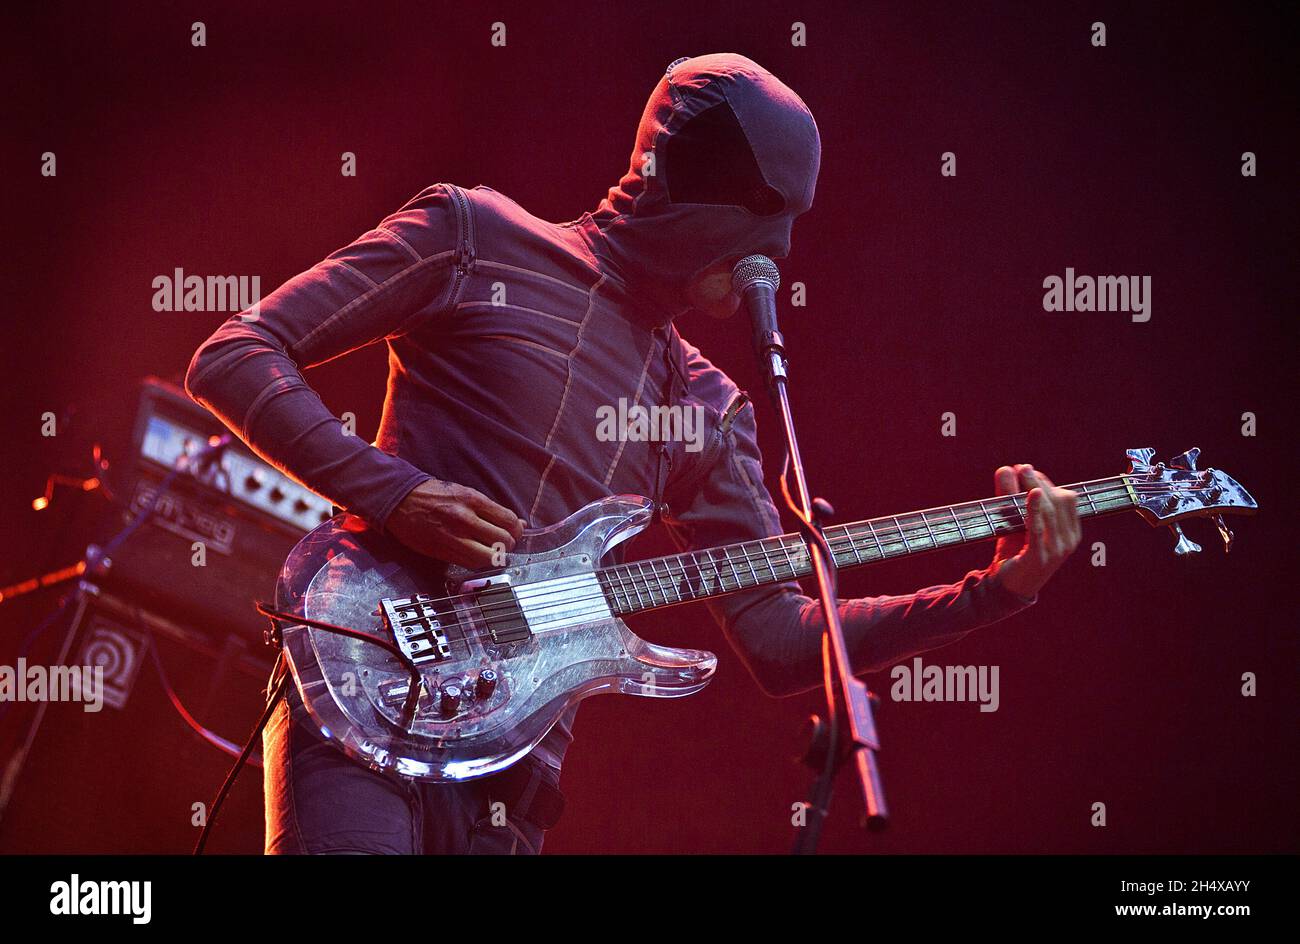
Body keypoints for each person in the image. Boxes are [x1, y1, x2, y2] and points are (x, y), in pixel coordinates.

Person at [185, 53, 1080, 855]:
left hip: (512, 778)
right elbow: (235, 355)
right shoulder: (476, 236)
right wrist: (398, 495)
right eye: (759, 217)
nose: (777, 253)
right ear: (683, 196)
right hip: (366, 676)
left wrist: (997, 590)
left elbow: (778, 639)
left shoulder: (705, 409)